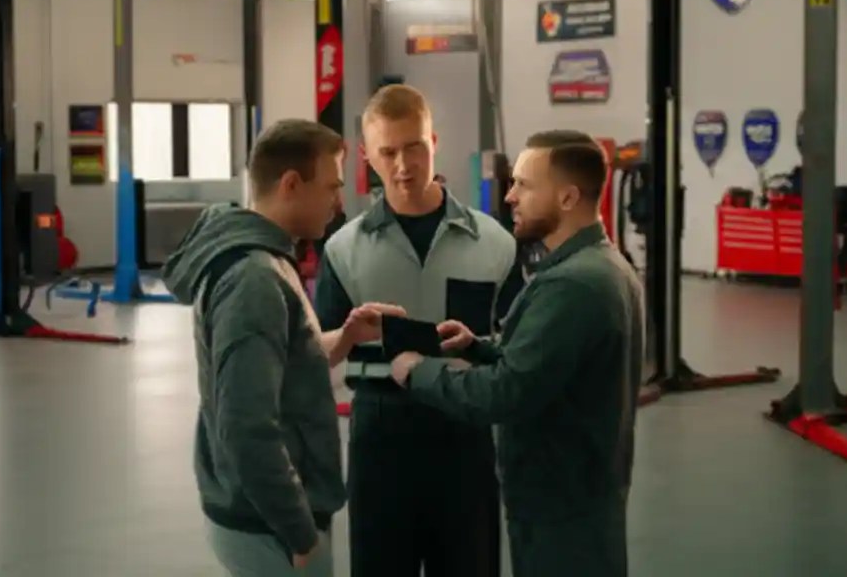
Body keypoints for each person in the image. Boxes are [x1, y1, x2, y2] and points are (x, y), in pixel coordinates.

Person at [390, 129, 645, 577]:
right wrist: (479, 347)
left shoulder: (572, 284)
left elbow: (505, 394)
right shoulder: (601, 266)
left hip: (560, 510)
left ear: (567, 198)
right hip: (580, 494)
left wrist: (419, 372)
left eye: (524, 185)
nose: (510, 196)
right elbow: (549, 364)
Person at [162, 119, 403, 577]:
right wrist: (300, 533)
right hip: (270, 527)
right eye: (331, 187)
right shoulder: (254, 279)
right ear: (292, 184)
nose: (338, 204)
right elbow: (246, 426)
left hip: (262, 516)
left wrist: (347, 336)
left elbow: (295, 364)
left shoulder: (268, 258)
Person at [313, 85, 519, 577]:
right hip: (380, 441)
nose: (403, 165)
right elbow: (318, 348)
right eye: (388, 152)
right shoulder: (343, 250)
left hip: (466, 437)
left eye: (414, 147)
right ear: (367, 157)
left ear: (434, 141)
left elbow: (517, 344)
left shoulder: (494, 243)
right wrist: (345, 334)